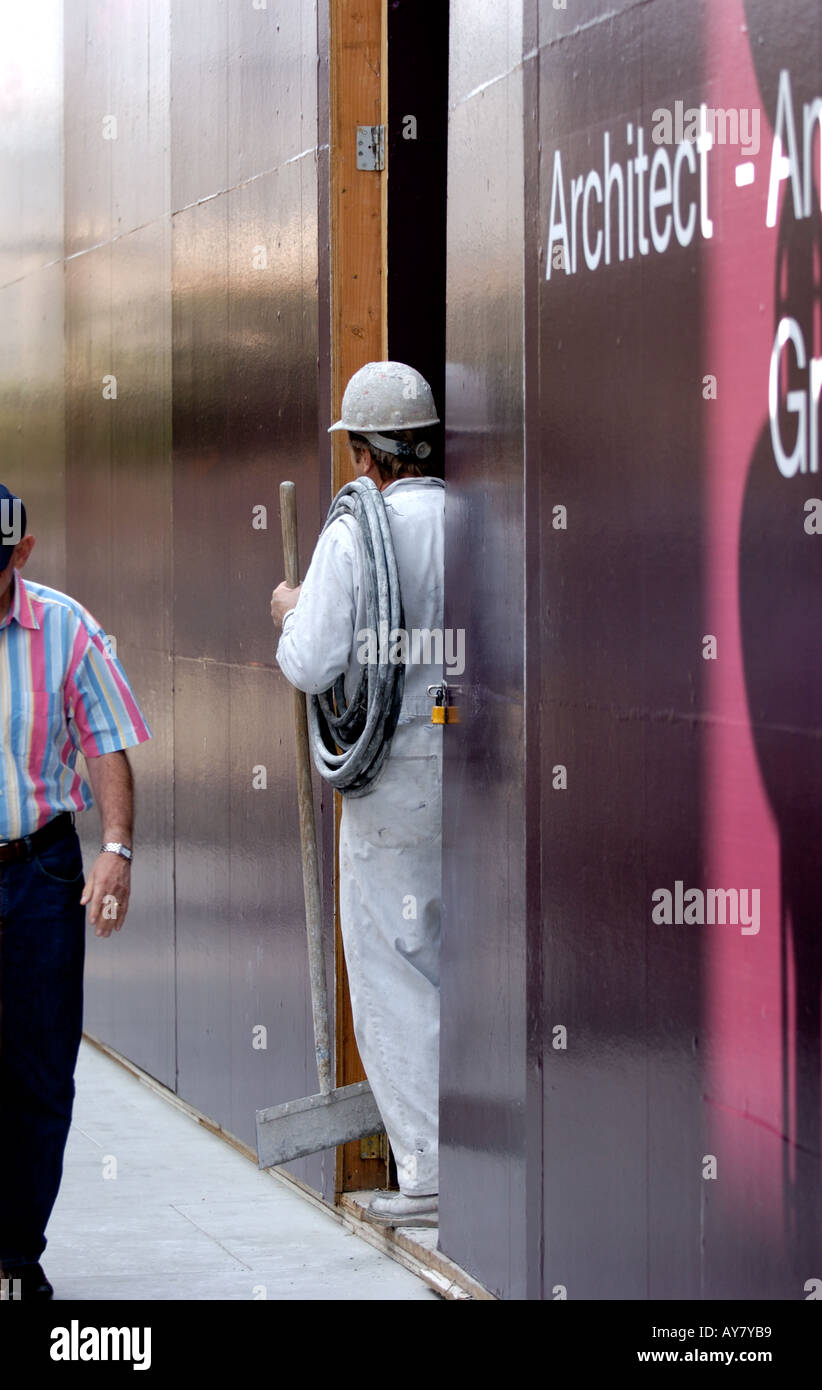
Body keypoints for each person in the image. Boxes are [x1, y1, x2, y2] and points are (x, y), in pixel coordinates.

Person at [271, 362, 444, 1228]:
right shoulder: (477, 520)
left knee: (390, 966)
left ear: (367, 454)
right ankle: (483, 1155)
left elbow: (311, 661)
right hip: (477, 773)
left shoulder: (352, 537)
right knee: (460, 958)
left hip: (393, 777)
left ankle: (427, 1169)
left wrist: (292, 607)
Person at [0, 483, 151, 1299]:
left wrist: (117, 849)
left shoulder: (65, 627)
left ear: (20, 554)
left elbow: (106, 742)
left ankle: (16, 1259)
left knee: (38, 1072)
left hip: (39, 870)